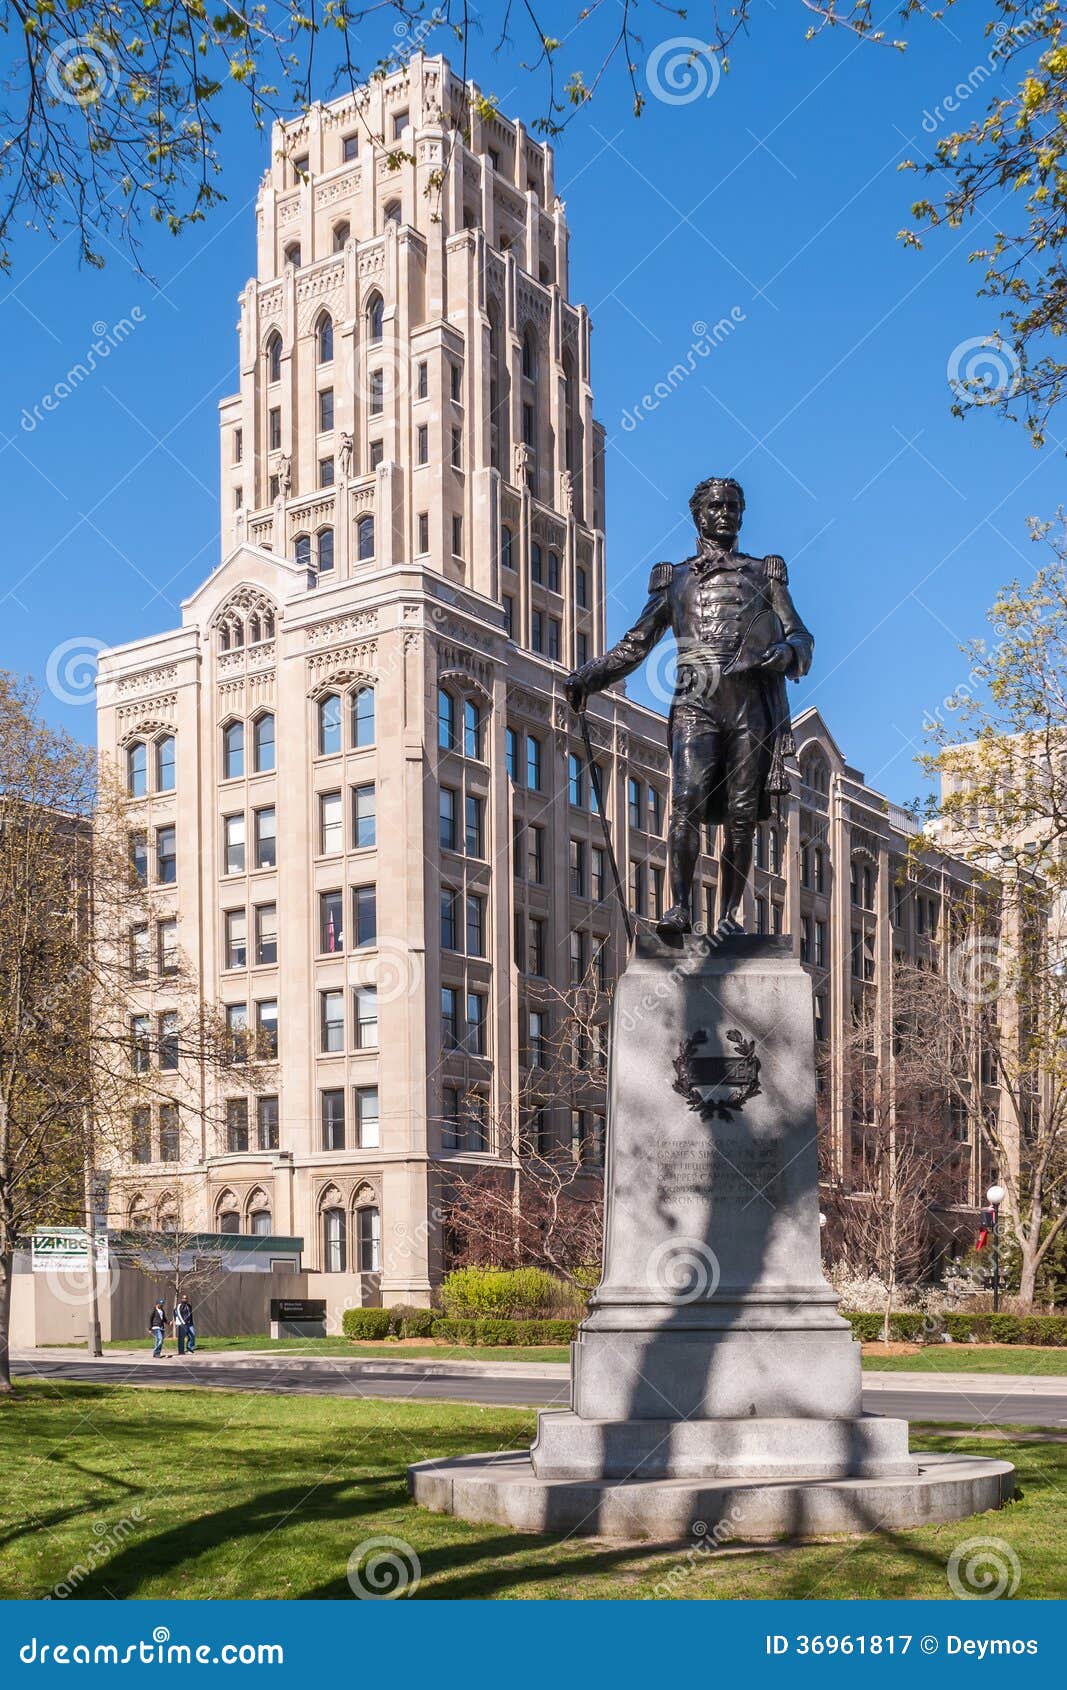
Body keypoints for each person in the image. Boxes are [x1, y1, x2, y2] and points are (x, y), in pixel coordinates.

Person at [566, 475, 814, 940]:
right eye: (717, 506)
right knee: (685, 802)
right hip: (696, 702)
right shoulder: (674, 579)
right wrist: (587, 677)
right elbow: (634, 645)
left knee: (743, 816)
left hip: (750, 707)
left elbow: (799, 633)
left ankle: (728, 917)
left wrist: (787, 653)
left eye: (734, 506)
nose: (726, 514)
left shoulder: (765, 574)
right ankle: (680, 908)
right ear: (698, 514)